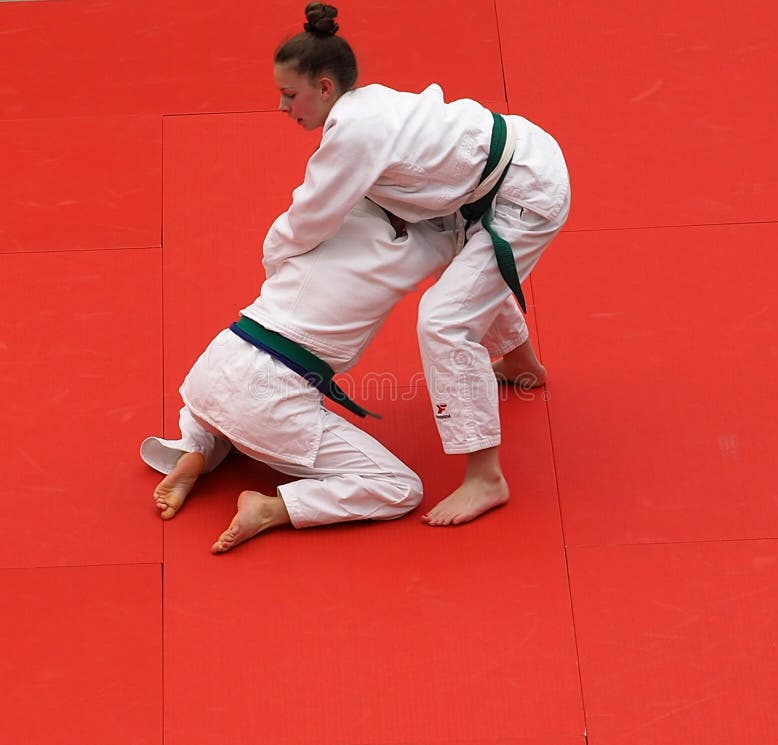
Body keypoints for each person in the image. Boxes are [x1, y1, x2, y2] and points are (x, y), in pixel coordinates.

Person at [266, 3, 571, 526]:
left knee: (444, 320)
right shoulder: (366, 105)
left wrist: (276, 259)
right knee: (458, 266)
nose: (281, 107)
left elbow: (312, 214)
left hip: (525, 194)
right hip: (516, 163)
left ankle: (485, 477)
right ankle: (523, 367)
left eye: (289, 94)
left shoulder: (354, 132)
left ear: (322, 87)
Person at [142, 200, 457, 553]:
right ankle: (272, 508)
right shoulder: (412, 251)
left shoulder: (321, 221)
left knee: (229, 414)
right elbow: (461, 239)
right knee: (400, 487)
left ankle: (201, 444)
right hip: (270, 403)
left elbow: (273, 251)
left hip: (216, 366)